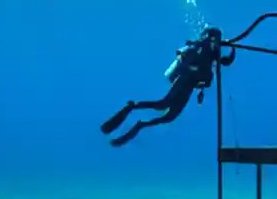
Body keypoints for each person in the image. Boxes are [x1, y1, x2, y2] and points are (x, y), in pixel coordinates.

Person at [101, 27, 236, 147]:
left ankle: (140, 124)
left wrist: (232, 49)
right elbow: (183, 56)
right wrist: (196, 69)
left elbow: (225, 62)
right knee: (162, 105)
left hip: (188, 89)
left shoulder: (213, 53)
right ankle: (132, 107)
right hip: (182, 83)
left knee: (169, 117)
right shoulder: (199, 47)